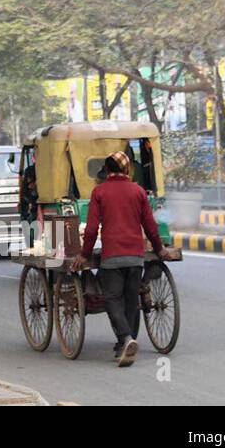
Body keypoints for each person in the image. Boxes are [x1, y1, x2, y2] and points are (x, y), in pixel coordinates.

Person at [73, 151, 171, 367]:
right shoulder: (138, 192)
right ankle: (125, 344)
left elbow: (90, 230)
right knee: (131, 300)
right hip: (136, 257)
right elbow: (150, 226)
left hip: (112, 257)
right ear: (128, 170)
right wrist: (159, 248)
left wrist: (84, 254)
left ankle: (126, 338)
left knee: (112, 300)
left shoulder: (99, 192)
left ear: (107, 171)